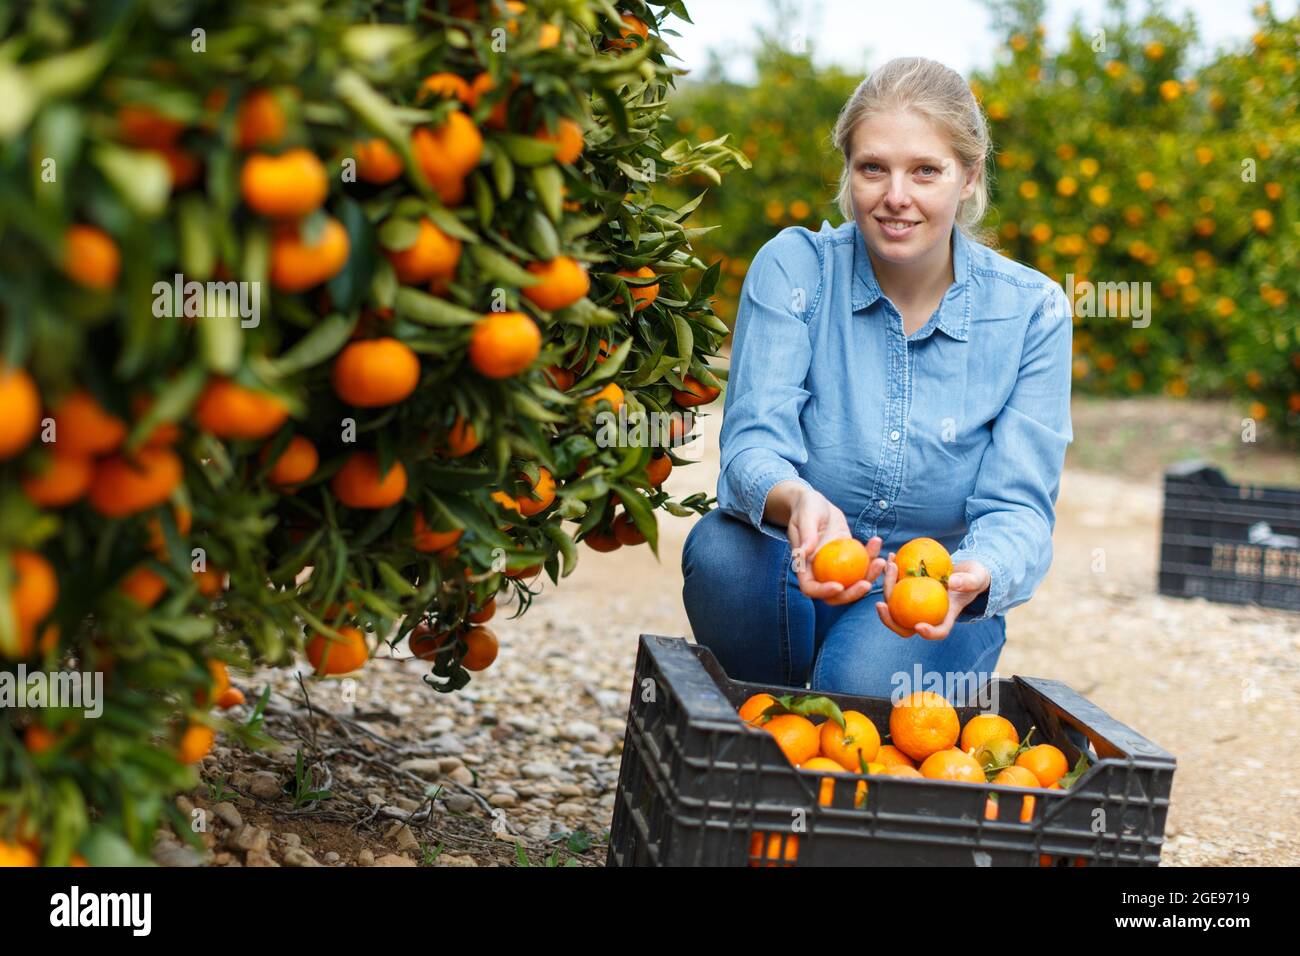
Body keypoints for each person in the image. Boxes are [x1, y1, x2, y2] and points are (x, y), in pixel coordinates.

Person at [681, 57, 1074, 704]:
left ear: (969, 177)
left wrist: (978, 574)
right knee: (724, 553)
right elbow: (752, 446)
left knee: (856, 686)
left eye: (926, 170)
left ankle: (826, 737)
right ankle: (761, 727)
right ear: (848, 173)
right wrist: (797, 503)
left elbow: (1018, 509)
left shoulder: (1033, 312)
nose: (897, 196)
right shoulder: (795, 269)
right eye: (873, 168)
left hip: (928, 584)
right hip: (794, 562)